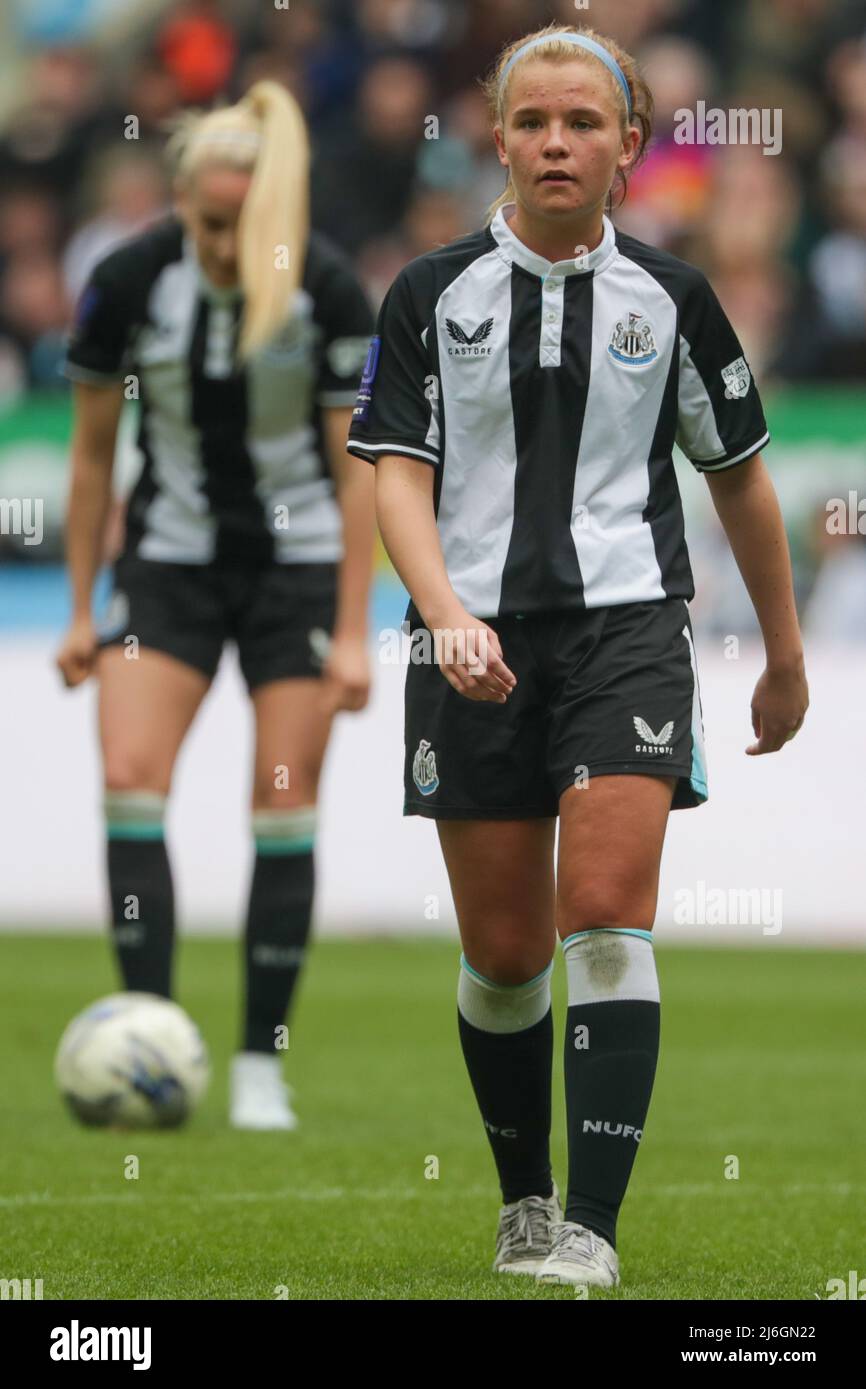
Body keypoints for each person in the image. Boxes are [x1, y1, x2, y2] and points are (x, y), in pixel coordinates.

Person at [347, 24, 809, 1287]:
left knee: (601, 913)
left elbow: (741, 481)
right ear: (498, 139)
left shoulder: (675, 300)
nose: (556, 142)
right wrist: (442, 609)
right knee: (503, 957)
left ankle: (594, 1232)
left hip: (626, 634)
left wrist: (779, 653)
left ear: (627, 148)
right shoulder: (427, 294)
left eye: (583, 124)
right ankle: (525, 1201)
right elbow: (396, 473)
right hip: (469, 638)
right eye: (533, 122)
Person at [56, 81, 376, 1130]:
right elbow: (95, 455)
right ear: (180, 202)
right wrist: (79, 610)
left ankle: (256, 1062)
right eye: (210, 223)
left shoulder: (324, 289)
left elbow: (357, 469)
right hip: (171, 563)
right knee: (128, 778)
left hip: (296, 569)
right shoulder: (127, 281)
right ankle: (149, 1025)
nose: (228, 243)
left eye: (246, 222)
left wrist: (354, 627)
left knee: (280, 803)